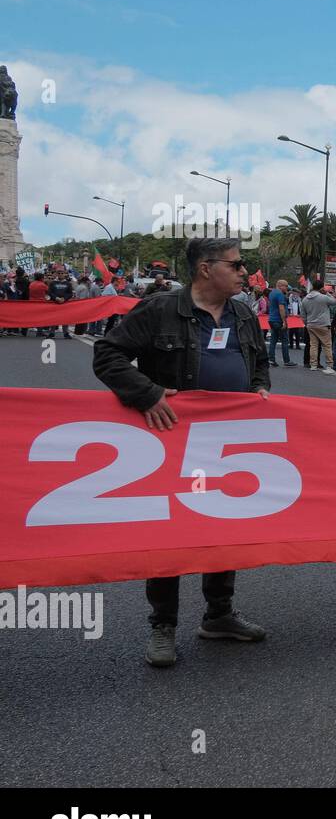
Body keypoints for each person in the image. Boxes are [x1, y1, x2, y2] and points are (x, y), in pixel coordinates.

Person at [91, 235, 270, 668]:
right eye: (237, 264)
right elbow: (107, 354)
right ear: (207, 269)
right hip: (173, 438)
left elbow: (259, 362)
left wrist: (260, 389)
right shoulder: (160, 310)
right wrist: (147, 393)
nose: (245, 271)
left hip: (229, 443)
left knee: (224, 526)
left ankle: (219, 615)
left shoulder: (243, 314)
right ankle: (163, 625)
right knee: (171, 531)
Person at [300, 277, 336, 373]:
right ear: (321, 288)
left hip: (311, 324)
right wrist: (327, 293)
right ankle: (329, 365)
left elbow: (303, 314)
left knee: (313, 345)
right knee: (327, 345)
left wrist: (306, 323)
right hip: (323, 324)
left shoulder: (305, 299)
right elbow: (334, 301)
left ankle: (313, 364)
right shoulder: (323, 297)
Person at [266, 279, 296, 368]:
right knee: (284, 340)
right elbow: (281, 308)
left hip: (272, 319)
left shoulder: (272, 293)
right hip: (278, 320)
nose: (287, 288)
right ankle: (286, 360)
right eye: (286, 286)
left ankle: (271, 359)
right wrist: (284, 321)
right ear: (280, 286)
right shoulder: (280, 295)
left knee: (273, 340)